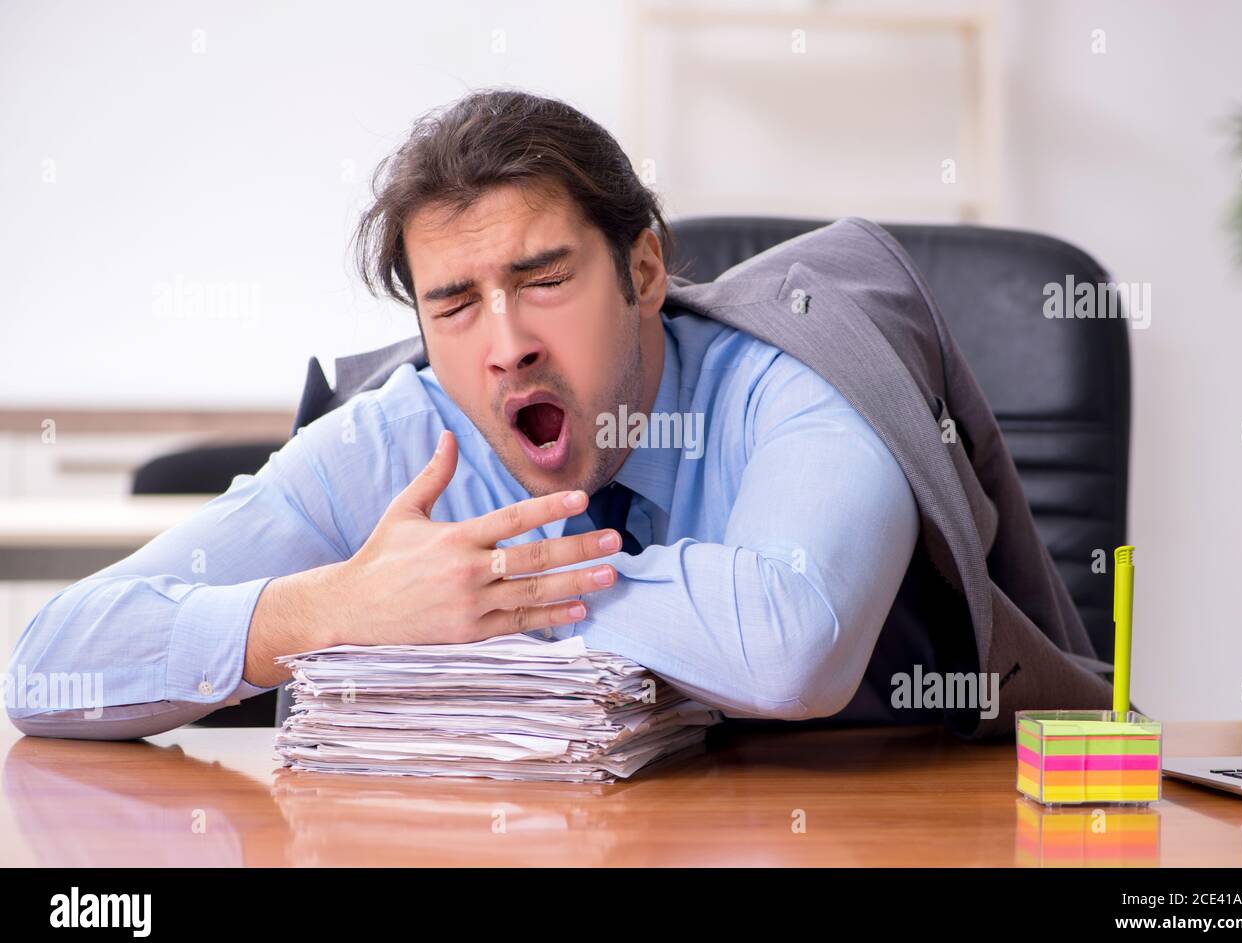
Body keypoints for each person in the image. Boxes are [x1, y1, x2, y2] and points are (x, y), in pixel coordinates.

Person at [6, 89, 918, 739]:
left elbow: (795, 646)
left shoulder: (795, 381)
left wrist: (484, 599)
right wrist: (331, 610)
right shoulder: (398, 433)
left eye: (545, 280)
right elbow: (48, 667)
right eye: (454, 305)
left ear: (642, 271)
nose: (507, 343)